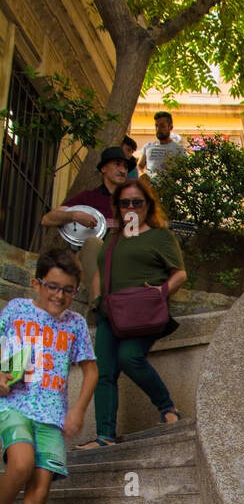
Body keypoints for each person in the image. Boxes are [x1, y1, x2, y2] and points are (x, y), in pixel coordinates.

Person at [0, 246, 97, 504]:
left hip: (52, 416)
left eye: (68, 290)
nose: (59, 296)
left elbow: (91, 370)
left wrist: (78, 410)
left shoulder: (76, 324)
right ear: (36, 282)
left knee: (39, 493)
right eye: (52, 286)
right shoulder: (16, 310)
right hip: (15, 405)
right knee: (21, 462)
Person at [76, 178, 187, 449]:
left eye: (137, 202)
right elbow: (100, 274)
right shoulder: (114, 240)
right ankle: (105, 436)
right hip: (110, 314)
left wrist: (161, 292)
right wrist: (97, 299)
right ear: (118, 207)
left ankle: (167, 408)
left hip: (144, 313)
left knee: (130, 357)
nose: (131, 208)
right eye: (124, 203)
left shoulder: (160, 236)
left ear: (148, 205)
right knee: (104, 372)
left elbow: (180, 274)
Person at [41, 145, 129, 304]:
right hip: (90, 257)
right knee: (93, 242)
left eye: (125, 166)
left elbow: (135, 235)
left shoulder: (131, 202)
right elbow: (47, 219)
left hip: (121, 256)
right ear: (104, 168)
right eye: (117, 164)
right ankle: (97, 303)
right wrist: (74, 215)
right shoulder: (88, 197)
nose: (123, 170)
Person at [139, 112, 186, 179]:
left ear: (171, 127)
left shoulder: (179, 150)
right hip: (149, 188)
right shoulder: (147, 147)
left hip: (169, 188)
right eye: (156, 126)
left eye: (162, 126)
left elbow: (185, 171)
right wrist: (143, 177)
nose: (158, 129)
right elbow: (140, 166)